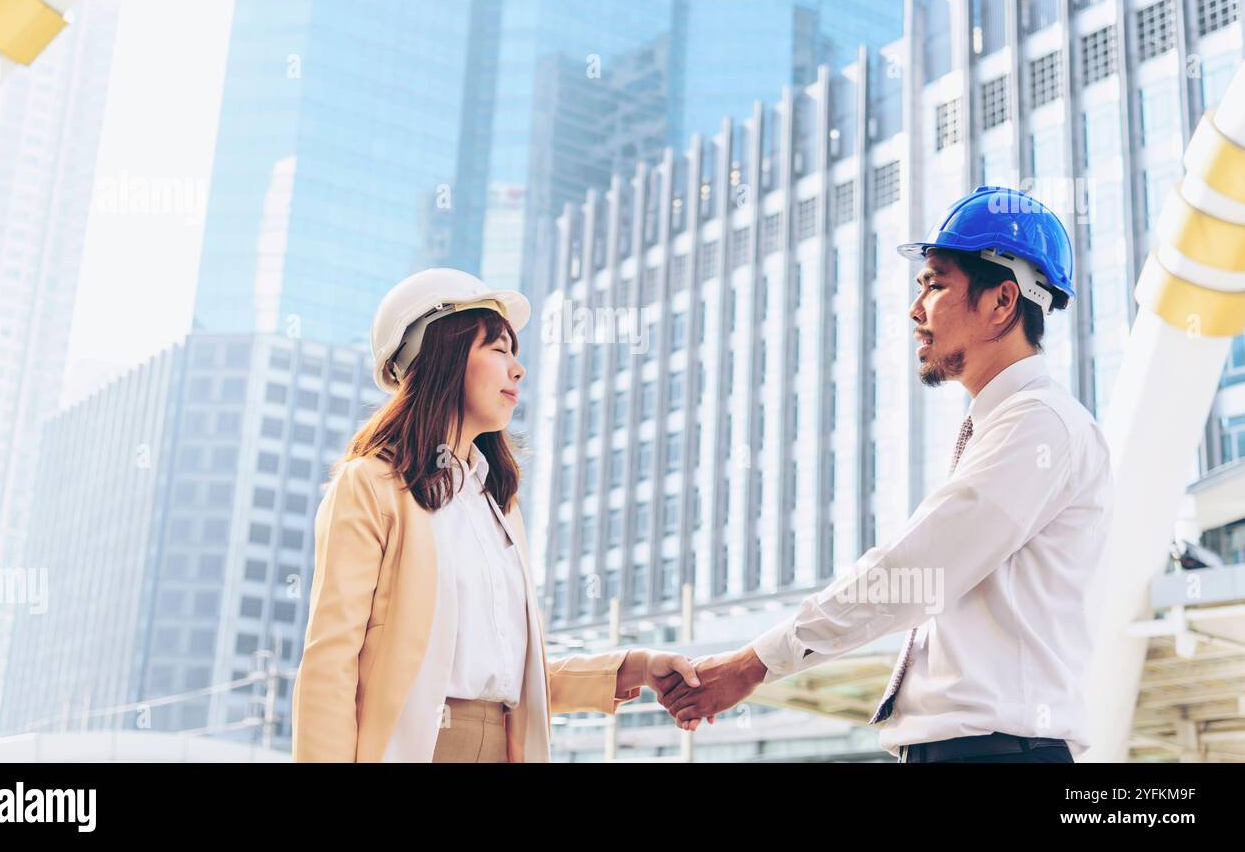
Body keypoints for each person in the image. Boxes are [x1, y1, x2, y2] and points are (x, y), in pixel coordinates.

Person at [659, 186, 1114, 763]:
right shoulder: (1009, 424)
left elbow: (913, 571)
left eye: (935, 283)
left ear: (1002, 301)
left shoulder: (1038, 426)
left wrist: (752, 665)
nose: (915, 308)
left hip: (998, 754)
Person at [291, 267, 699, 762]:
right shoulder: (370, 486)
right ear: (442, 354)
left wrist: (632, 666)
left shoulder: (496, 504)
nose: (517, 369)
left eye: (515, 353)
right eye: (498, 349)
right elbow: (330, 663)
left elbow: (509, 676)